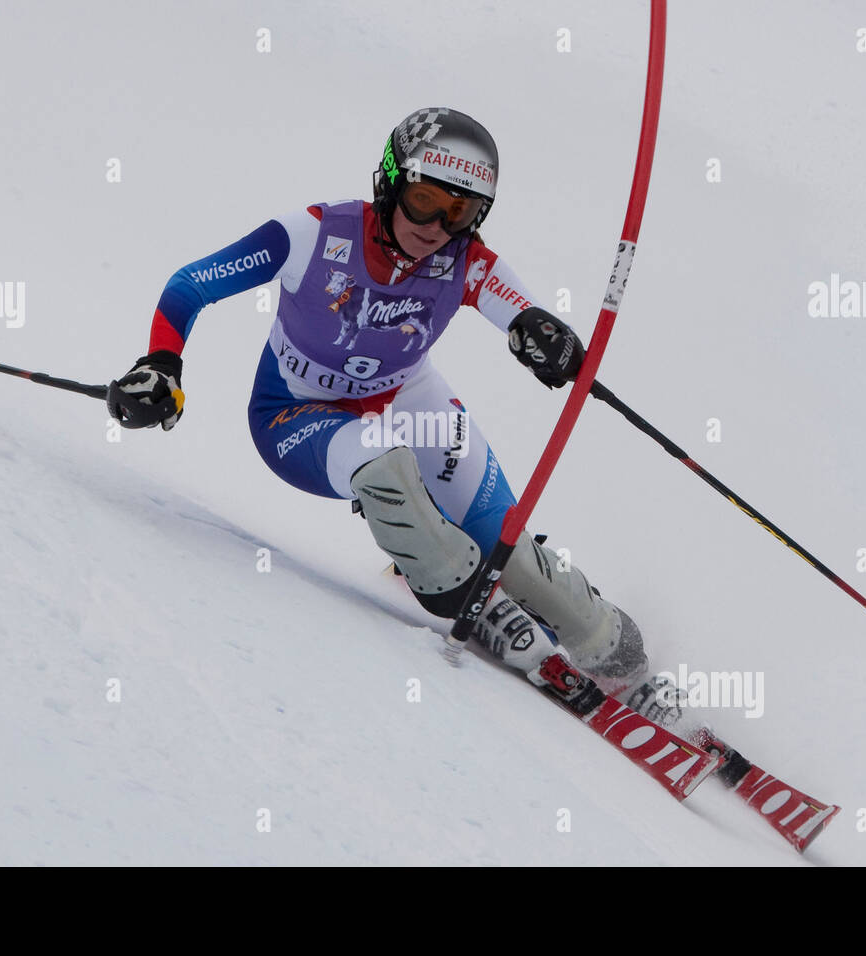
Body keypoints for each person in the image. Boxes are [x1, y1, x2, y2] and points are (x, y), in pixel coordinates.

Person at [107, 107, 650, 713]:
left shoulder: (464, 260)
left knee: (512, 548)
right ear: (391, 181)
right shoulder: (312, 235)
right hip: (297, 411)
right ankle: (465, 591)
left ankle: (620, 657)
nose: (437, 226)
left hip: (408, 398)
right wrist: (162, 363)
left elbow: (522, 309)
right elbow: (190, 285)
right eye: (424, 199)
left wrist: (548, 338)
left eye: (460, 213)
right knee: (386, 471)